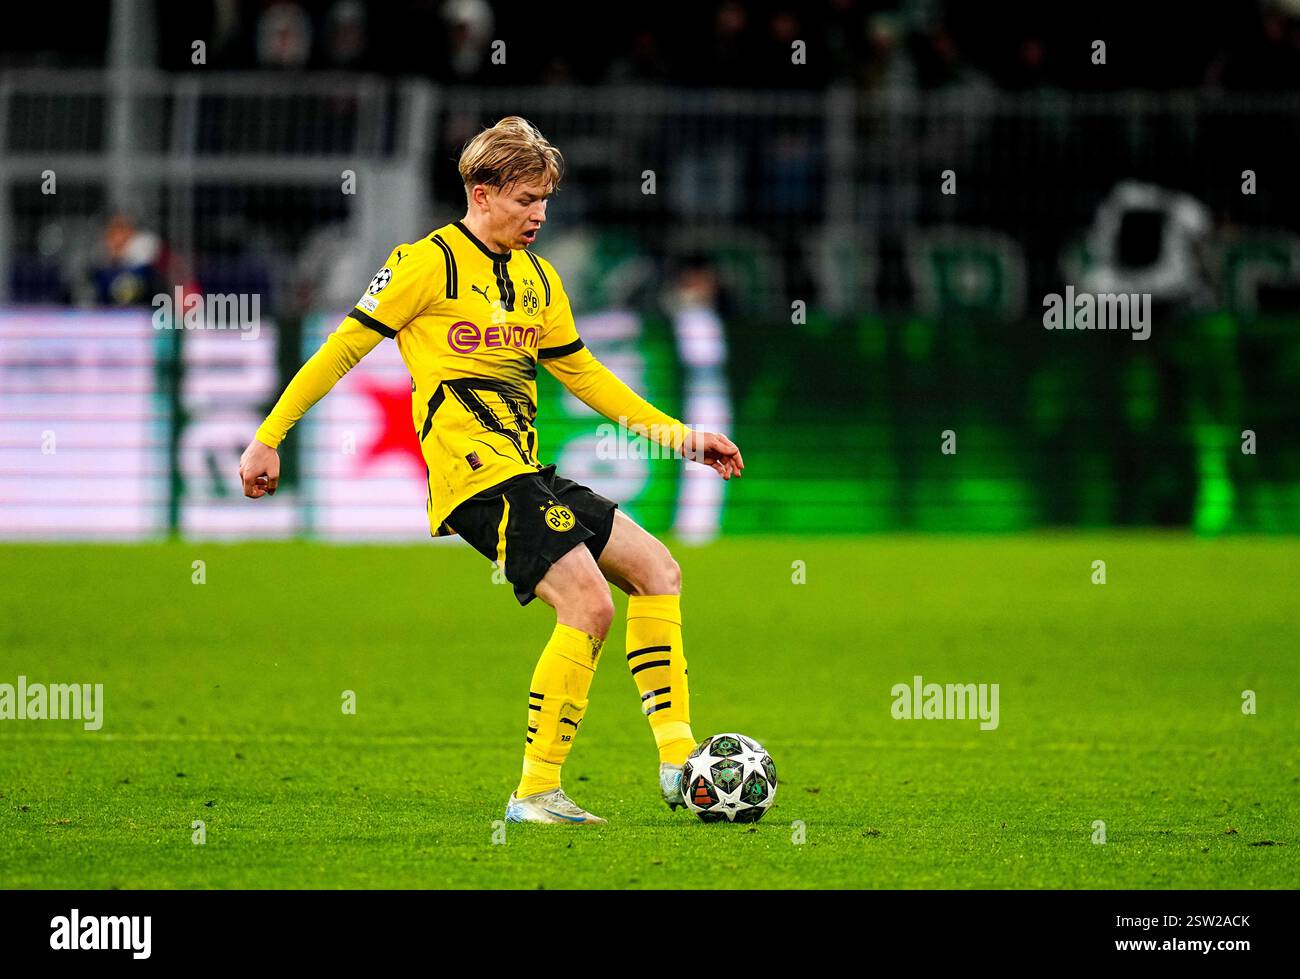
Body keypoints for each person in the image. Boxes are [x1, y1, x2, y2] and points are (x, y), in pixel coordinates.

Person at [239, 116, 744, 825]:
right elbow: (341, 350)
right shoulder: (426, 263)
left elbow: (588, 377)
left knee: (658, 570)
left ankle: (677, 760)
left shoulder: (539, 278)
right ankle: (536, 791)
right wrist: (269, 436)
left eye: (545, 201)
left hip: (527, 467)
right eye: (525, 199)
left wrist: (682, 438)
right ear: (481, 191)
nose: (539, 214)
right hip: (475, 475)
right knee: (590, 604)